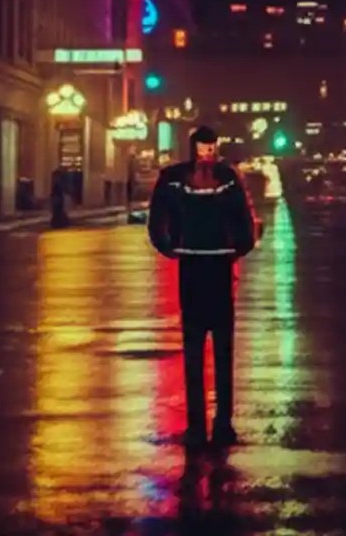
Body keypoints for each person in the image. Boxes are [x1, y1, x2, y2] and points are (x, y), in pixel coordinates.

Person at [147, 125, 257, 448]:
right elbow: (158, 217)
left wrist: (240, 244)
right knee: (197, 348)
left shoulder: (222, 177)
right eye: (202, 148)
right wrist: (166, 244)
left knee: (219, 348)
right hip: (199, 265)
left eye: (211, 148)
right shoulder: (184, 178)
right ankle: (201, 424)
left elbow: (243, 219)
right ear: (193, 148)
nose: (206, 154)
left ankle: (220, 423)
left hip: (213, 266)